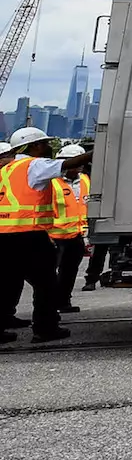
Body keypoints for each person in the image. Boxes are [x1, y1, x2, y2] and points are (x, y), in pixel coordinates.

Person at [0, 127, 70, 342]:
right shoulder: (34, 165)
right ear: (34, 146)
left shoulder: (7, 169)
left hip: (4, 236)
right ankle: (45, 328)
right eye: (45, 143)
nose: (49, 147)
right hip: (30, 237)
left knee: (6, 284)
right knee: (46, 284)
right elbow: (69, 164)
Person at [49, 144, 90, 313]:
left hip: (76, 235)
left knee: (69, 272)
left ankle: (63, 301)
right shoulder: (52, 182)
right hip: (55, 236)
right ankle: (50, 305)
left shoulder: (85, 180)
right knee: (49, 274)